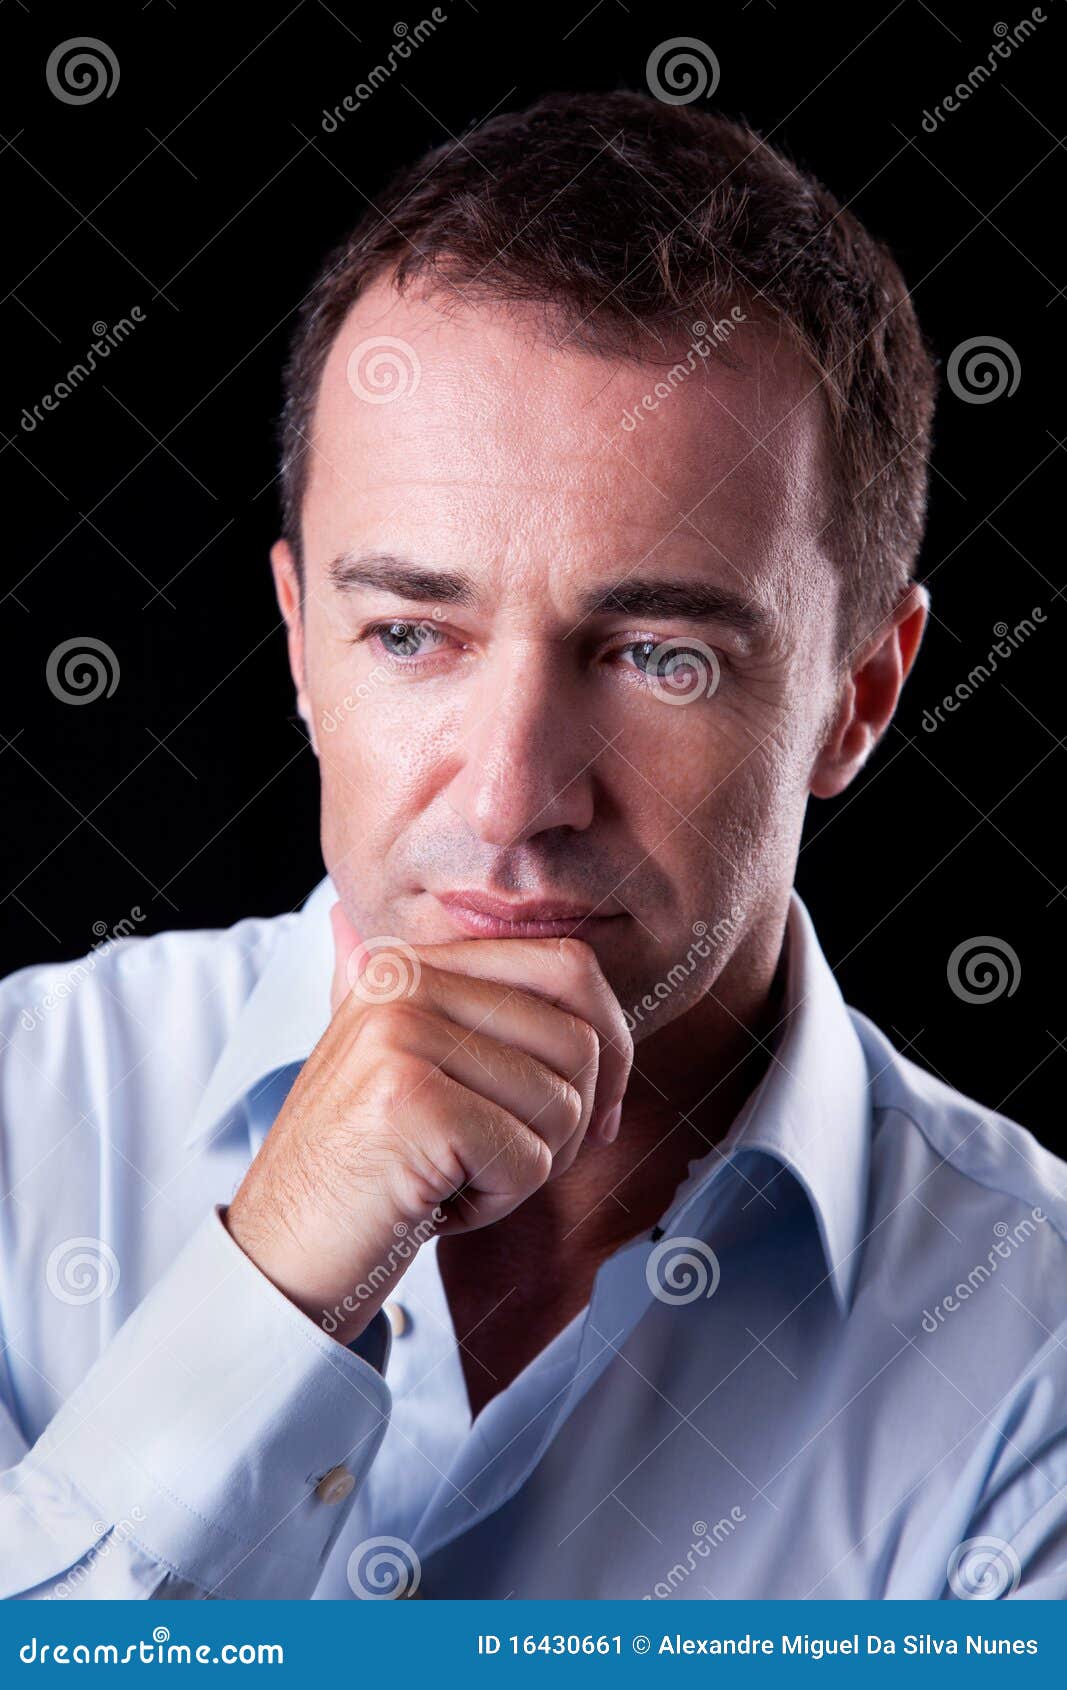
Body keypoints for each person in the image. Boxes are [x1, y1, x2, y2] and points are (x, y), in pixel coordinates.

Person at [1, 91, 1063, 1602]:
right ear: (301, 644)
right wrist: (269, 1296)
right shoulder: (21, 1121)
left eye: (657, 654)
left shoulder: (1037, 1355)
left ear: (858, 697)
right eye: (412, 632)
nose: (509, 798)